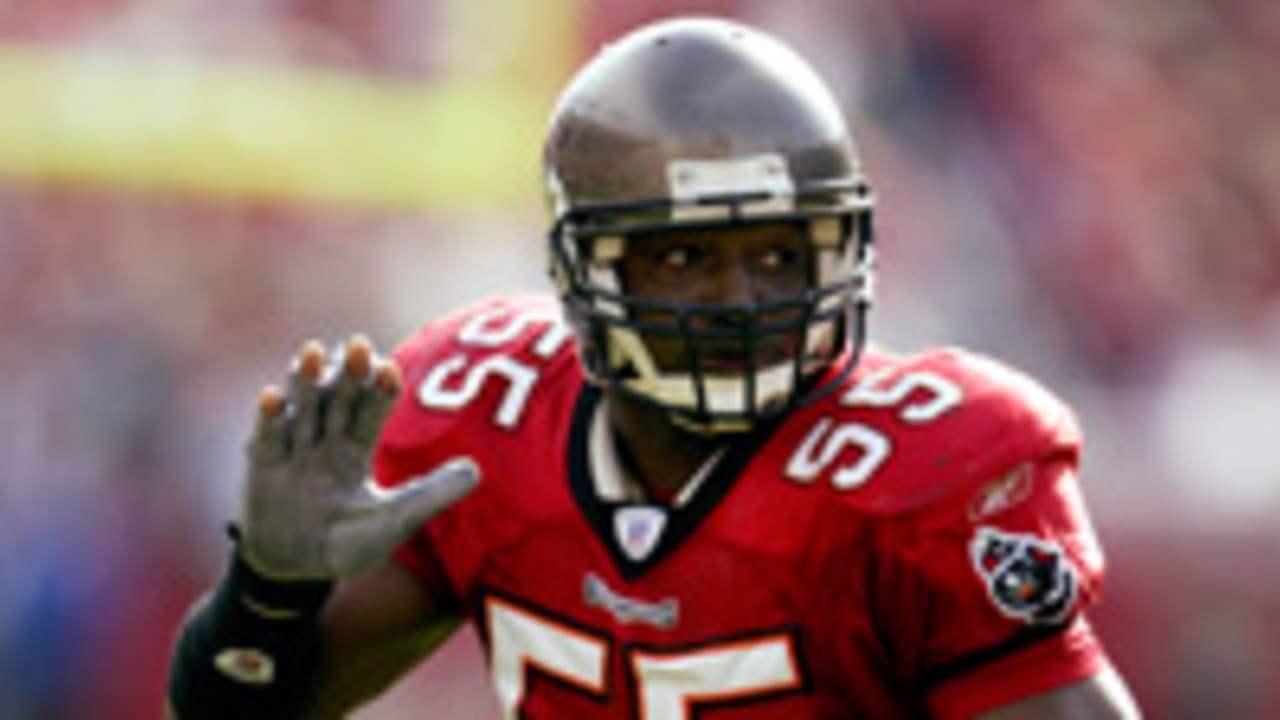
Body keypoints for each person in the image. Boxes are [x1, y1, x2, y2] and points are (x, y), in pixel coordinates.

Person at [167, 16, 1140, 719]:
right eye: (683, 257)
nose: (741, 296)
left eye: (778, 253)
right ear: (582, 271)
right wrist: (268, 587)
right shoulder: (481, 419)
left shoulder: (925, 469)